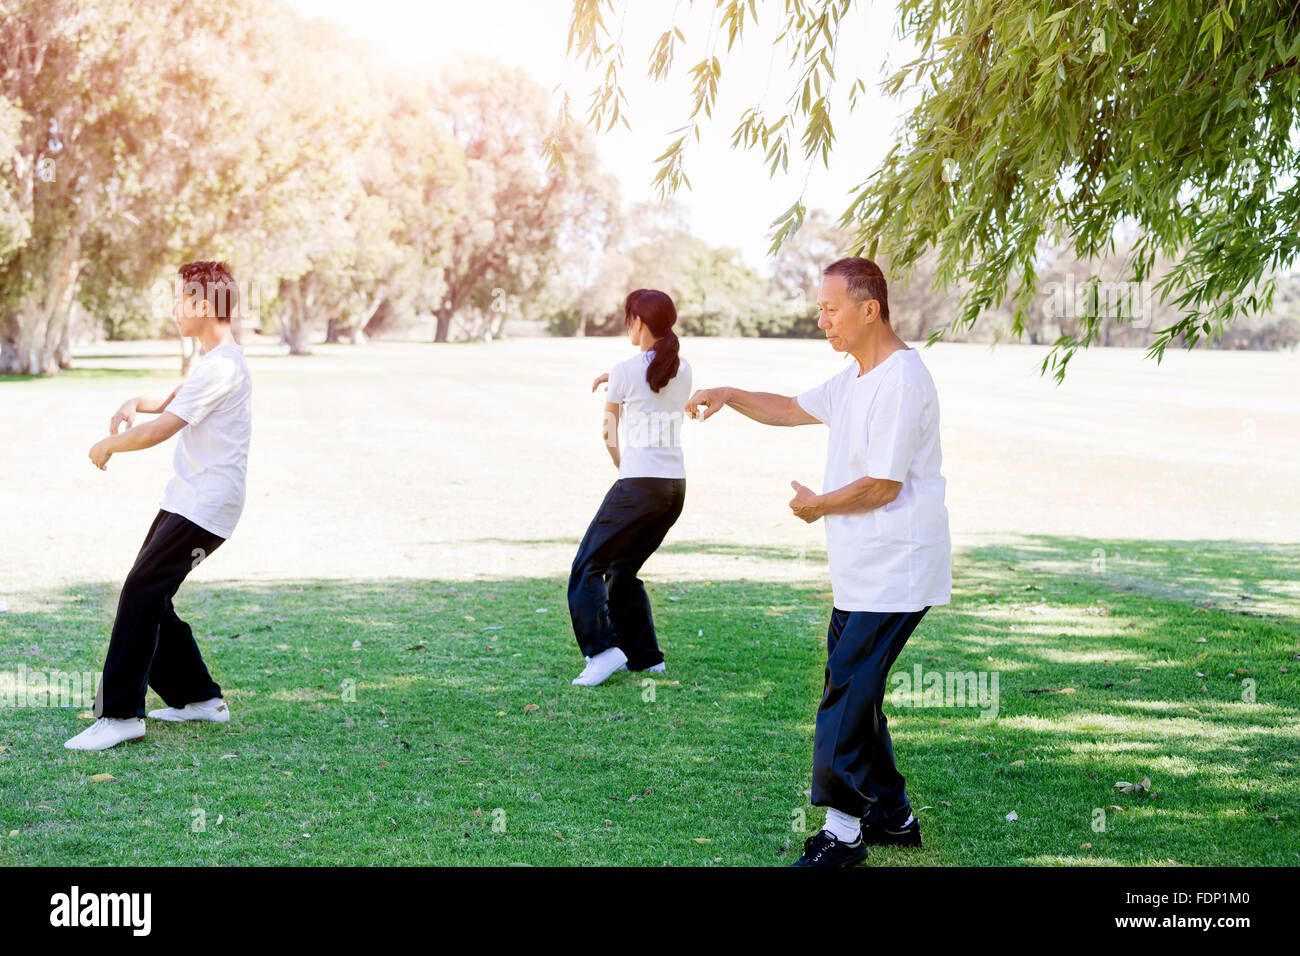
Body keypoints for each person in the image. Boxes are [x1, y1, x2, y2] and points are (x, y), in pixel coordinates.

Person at [685, 257, 950, 866]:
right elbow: (788, 408)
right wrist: (728, 394)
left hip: (898, 569)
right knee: (856, 690)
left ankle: (844, 832)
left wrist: (817, 506)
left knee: (845, 694)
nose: (821, 317)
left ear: (869, 309)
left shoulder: (902, 380)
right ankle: (894, 817)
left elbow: (882, 486)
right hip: (863, 570)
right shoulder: (855, 376)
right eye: (820, 307)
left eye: (830, 308)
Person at [65, 261, 252, 751]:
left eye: (181, 299)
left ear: (205, 306)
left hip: (205, 506)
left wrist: (109, 446)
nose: (174, 308)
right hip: (190, 500)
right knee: (152, 594)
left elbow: (164, 427)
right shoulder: (215, 362)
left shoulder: (224, 365)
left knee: (141, 591)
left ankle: (121, 715)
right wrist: (133, 400)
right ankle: (200, 700)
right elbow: (170, 399)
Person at [568, 289, 692, 687]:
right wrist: (615, 380)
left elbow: (608, 431)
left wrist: (625, 469)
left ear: (637, 322)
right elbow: (651, 379)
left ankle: (602, 652)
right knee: (623, 570)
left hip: (639, 484)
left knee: (587, 567)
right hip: (674, 489)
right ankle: (645, 656)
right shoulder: (683, 368)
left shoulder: (624, 370)